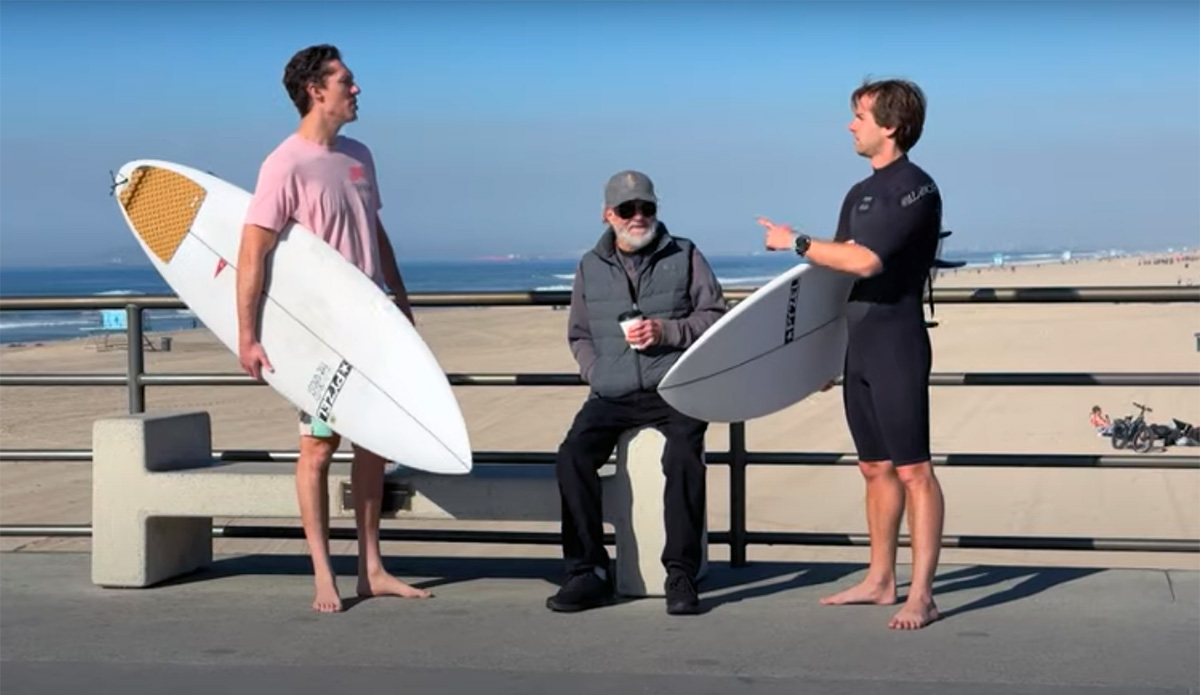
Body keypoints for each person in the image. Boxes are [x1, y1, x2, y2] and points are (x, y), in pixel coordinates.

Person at [235, 44, 429, 613]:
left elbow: (376, 230)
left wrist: (401, 296)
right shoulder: (284, 163)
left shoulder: (360, 155)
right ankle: (324, 572)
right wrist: (248, 337)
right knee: (318, 448)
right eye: (346, 80)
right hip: (320, 335)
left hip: (371, 324)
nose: (357, 88)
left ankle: (371, 568)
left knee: (374, 444)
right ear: (316, 91)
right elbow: (254, 254)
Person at [760, 78, 945, 630]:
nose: (850, 125)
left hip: (897, 343)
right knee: (872, 467)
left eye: (860, 116)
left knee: (914, 469)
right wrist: (821, 353)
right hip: (858, 345)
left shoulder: (915, 189)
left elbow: (866, 262)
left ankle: (924, 595)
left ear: (890, 125)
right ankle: (881, 579)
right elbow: (834, 273)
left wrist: (794, 241)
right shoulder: (857, 193)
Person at [546, 170, 728, 616]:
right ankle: (587, 572)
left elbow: (715, 316)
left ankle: (681, 574)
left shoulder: (685, 253)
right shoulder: (591, 265)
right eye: (628, 209)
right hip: (611, 393)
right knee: (572, 457)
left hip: (674, 385)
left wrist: (667, 331)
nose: (639, 216)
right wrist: (596, 372)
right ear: (609, 215)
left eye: (647, 207)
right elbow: (579, 334)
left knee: (683, 458)